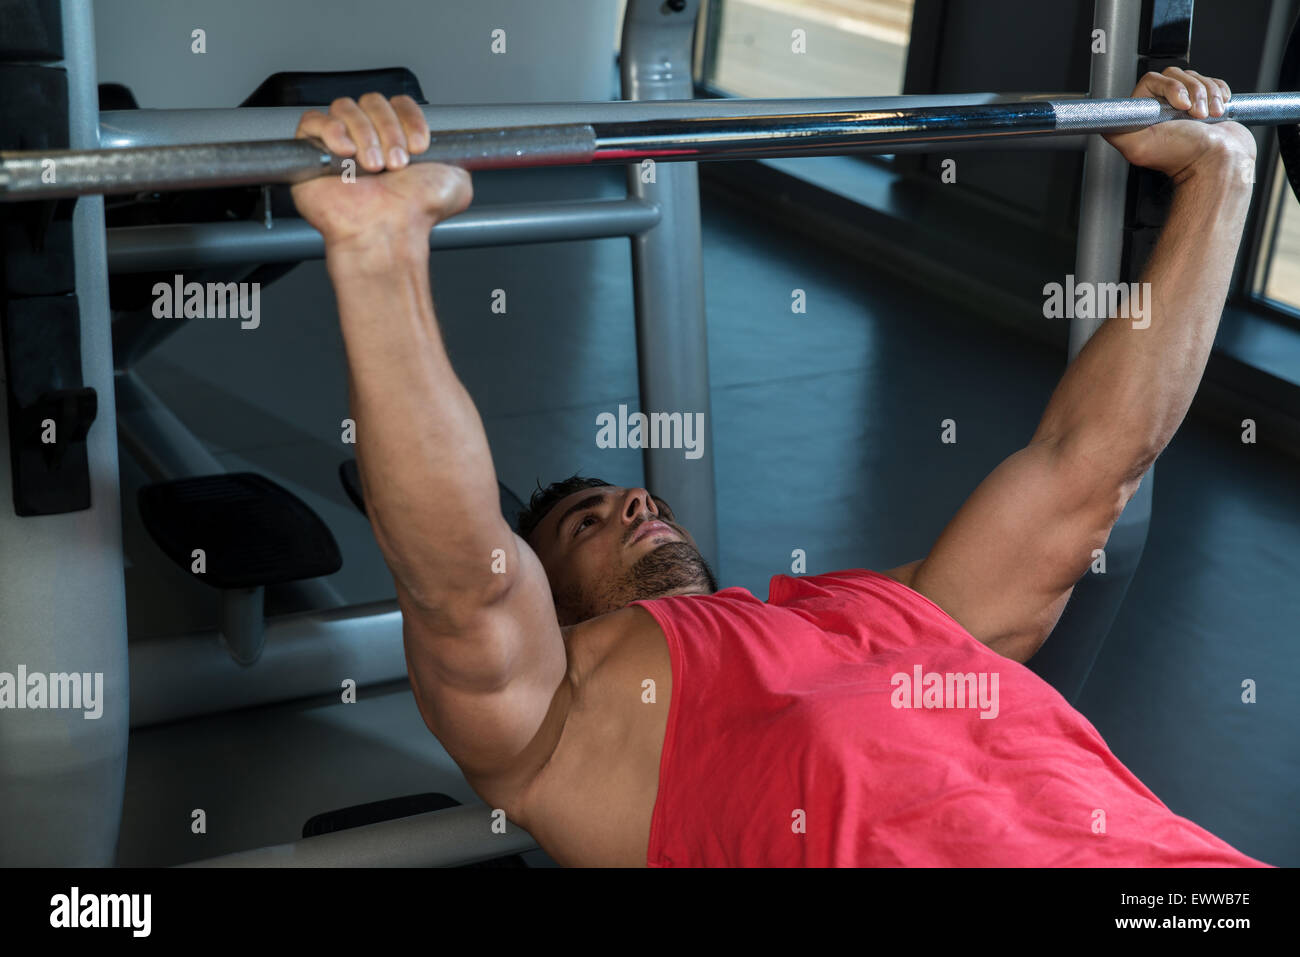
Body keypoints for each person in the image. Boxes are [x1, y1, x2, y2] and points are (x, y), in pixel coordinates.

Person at [290, 68, 1270, 866]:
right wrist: (379, 255)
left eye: (628, 497)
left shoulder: (897, 609)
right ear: (551, 606)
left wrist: (1219, 177)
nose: (633, 503)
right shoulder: (567, 716)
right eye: (584, 523)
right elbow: (462, 584)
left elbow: (1087, 461)